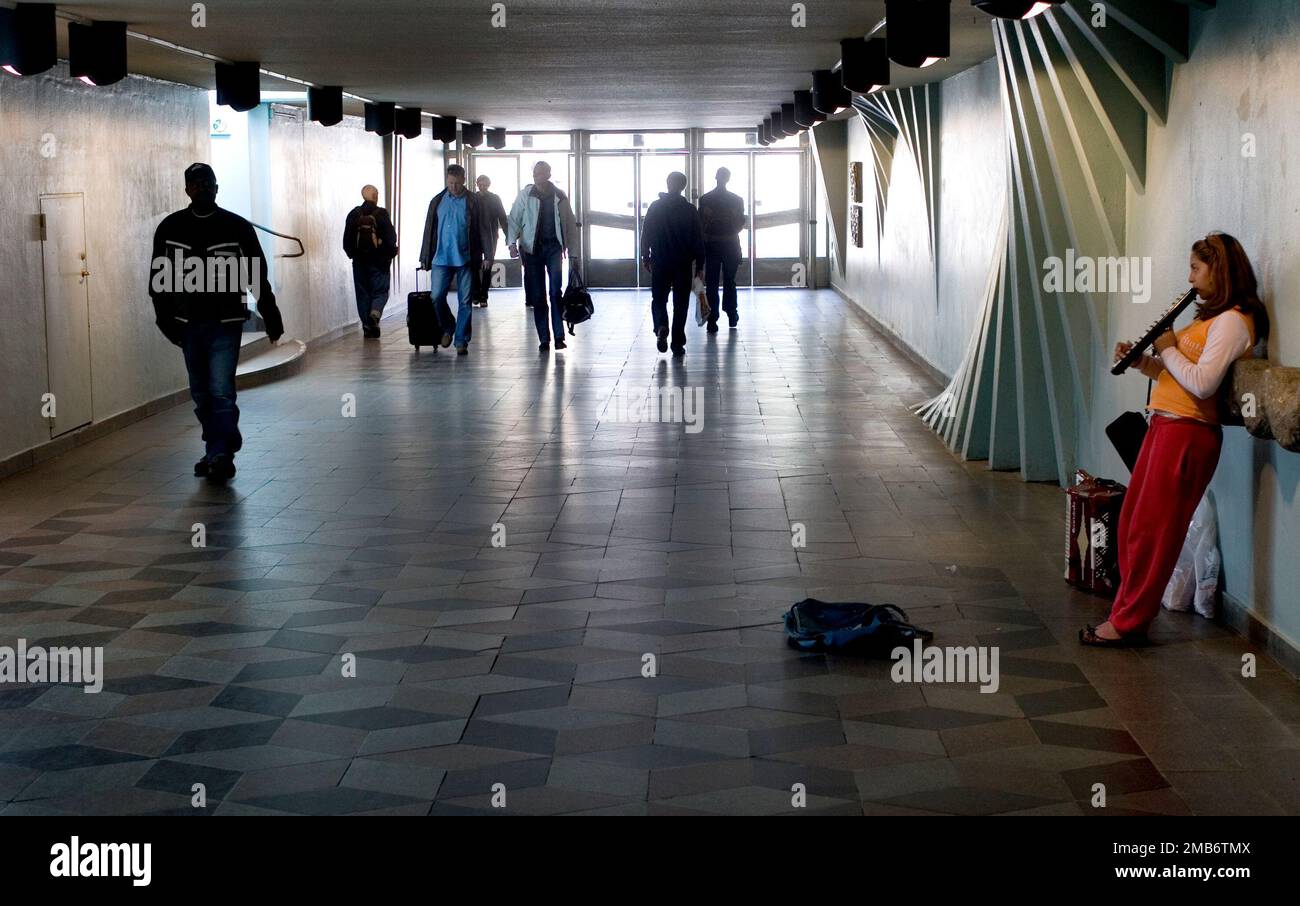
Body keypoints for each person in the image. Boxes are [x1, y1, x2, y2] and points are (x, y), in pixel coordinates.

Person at [1080, 233, 1270, 647]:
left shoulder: (1235, 322)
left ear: (1219, 271)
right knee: (1133, 524)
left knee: (1154, 533)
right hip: (1165, 426)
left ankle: (1129, 624)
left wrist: (1167, 349)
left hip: (1189, 434)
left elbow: (1202, 385)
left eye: (1196, 269)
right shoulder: (1206, 320)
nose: (1190, 277)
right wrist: (1144, 361)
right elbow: (1177, 376)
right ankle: (1126, 613)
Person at [150, 162, 283, 484]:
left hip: (226, 321)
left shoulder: (235, 227)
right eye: (195, 184)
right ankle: (214, 449)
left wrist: (271, 313)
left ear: (216, 187)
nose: (201, 189)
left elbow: (256, 274)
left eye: (206, 183)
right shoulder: (171, 227)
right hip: (188, 323)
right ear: (187, 189)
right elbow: (158, 276)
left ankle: (222, 451)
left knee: (221, 390)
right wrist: (164, 318)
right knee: (201, 392)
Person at [507, 161, 579, 352]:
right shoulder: (526, 195)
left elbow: (570, 226)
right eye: (535, 174)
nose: (537, 177)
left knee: (555, 292)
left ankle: (558, 336)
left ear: (548, 174)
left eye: (540, 174)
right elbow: (514, 218)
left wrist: (574, 254)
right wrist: (511, 243)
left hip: (554, 249)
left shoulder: (560, 197)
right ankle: (544, 338)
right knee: (538, 296)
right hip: (532, 251)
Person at [419, 164, 483, 355]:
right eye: (450, 183)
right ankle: (448, 327)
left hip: (465, 257)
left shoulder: (473, 201)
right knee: (436, 296)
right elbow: (428, 230)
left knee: (465, 301)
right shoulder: (437, 201)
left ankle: (461, 340)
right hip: (440, 257)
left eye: (457, 183)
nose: (453, 187)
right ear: (447, 180)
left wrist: (486, 254)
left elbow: (481, 228)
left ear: (464, 180)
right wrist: (424, 256)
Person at [640, 171, 705, 356]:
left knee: (659, 299)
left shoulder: (655, 207)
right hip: (683, 263)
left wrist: (646, 256)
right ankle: (677, 342)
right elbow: (698, 239)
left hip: (660, 260)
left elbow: (647, 233)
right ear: (683, 187)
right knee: (681, 303)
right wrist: (700, 265)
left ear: (667, 184)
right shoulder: (690, 210)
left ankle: (661, 325)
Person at [342, 184, 397, 338]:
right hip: (379, 262)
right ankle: (375, 313)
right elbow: (391, 238)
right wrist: (389, 255)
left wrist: (353, 255)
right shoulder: (382, 214)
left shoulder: (353, 214)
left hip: (359, 262)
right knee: (380, 291)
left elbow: (347, 241)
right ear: (375, 196)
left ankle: (368, 326)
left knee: (363, 294)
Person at [697, 167, 746, 332]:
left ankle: (712, 318)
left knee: (711, 283)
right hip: (730, 244)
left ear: (716, 177)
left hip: (711, 246)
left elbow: (700, 225)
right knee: (730, 281)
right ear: (728, 178)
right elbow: (740, 223)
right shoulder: (736, 200)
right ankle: (732, 313)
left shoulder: (705, 199)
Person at [472, 174, 508, 309]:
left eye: (485, 184)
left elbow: (503, 218)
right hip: (475, 237)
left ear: (488, 185)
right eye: (480, 184)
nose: (482, 187)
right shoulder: (472, 198)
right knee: (474, 266)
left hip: (490, 237)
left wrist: (508, 237)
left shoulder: (494, 199)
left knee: (487, 267)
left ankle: (483, 296)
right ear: (477, 184)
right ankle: (476, 294)